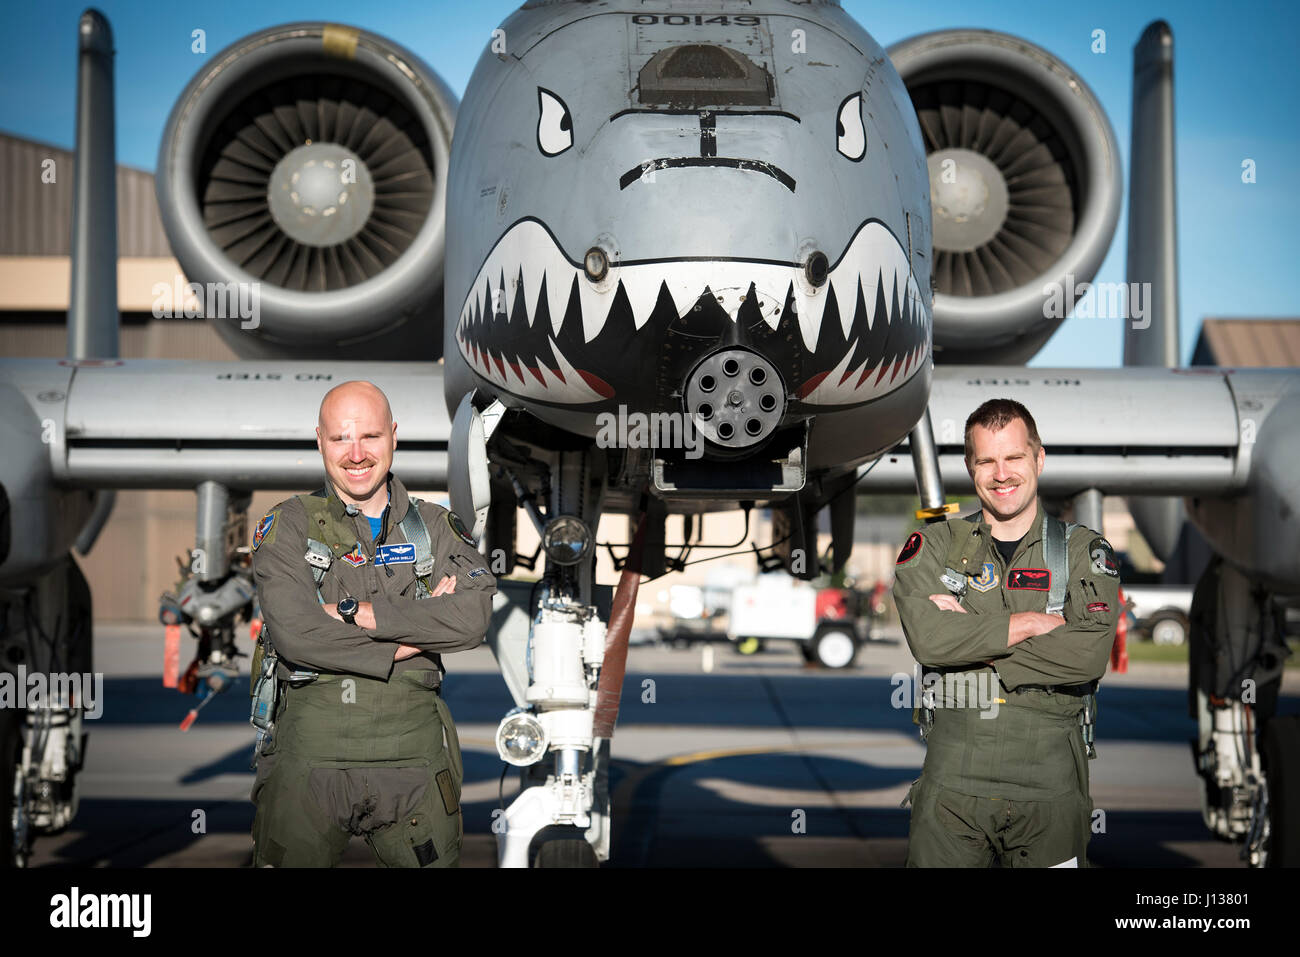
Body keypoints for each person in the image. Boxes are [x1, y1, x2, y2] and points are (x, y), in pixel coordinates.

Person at [248, 380, 496, 867]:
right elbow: (295, 633)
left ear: (394, 436)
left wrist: (353, 613)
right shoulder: (290, 525)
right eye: (341, 438)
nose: (356, 454)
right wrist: (414, 636)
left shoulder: (437, 527)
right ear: (320, 440)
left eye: (371, 437)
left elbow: (471, 618)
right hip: (310, 765)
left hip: (414, 767)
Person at [893, 398, 1120, 867]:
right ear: (970, 467)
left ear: (1038, 458)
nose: (1002, 474)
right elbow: (929, 640)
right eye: (987, 461)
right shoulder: (935, 544)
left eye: (1014, 457)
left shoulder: (1084, 551)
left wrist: (971, 637)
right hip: (953, 786)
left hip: (1051, 789)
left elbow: (1088, 654)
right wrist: (1030, 625)